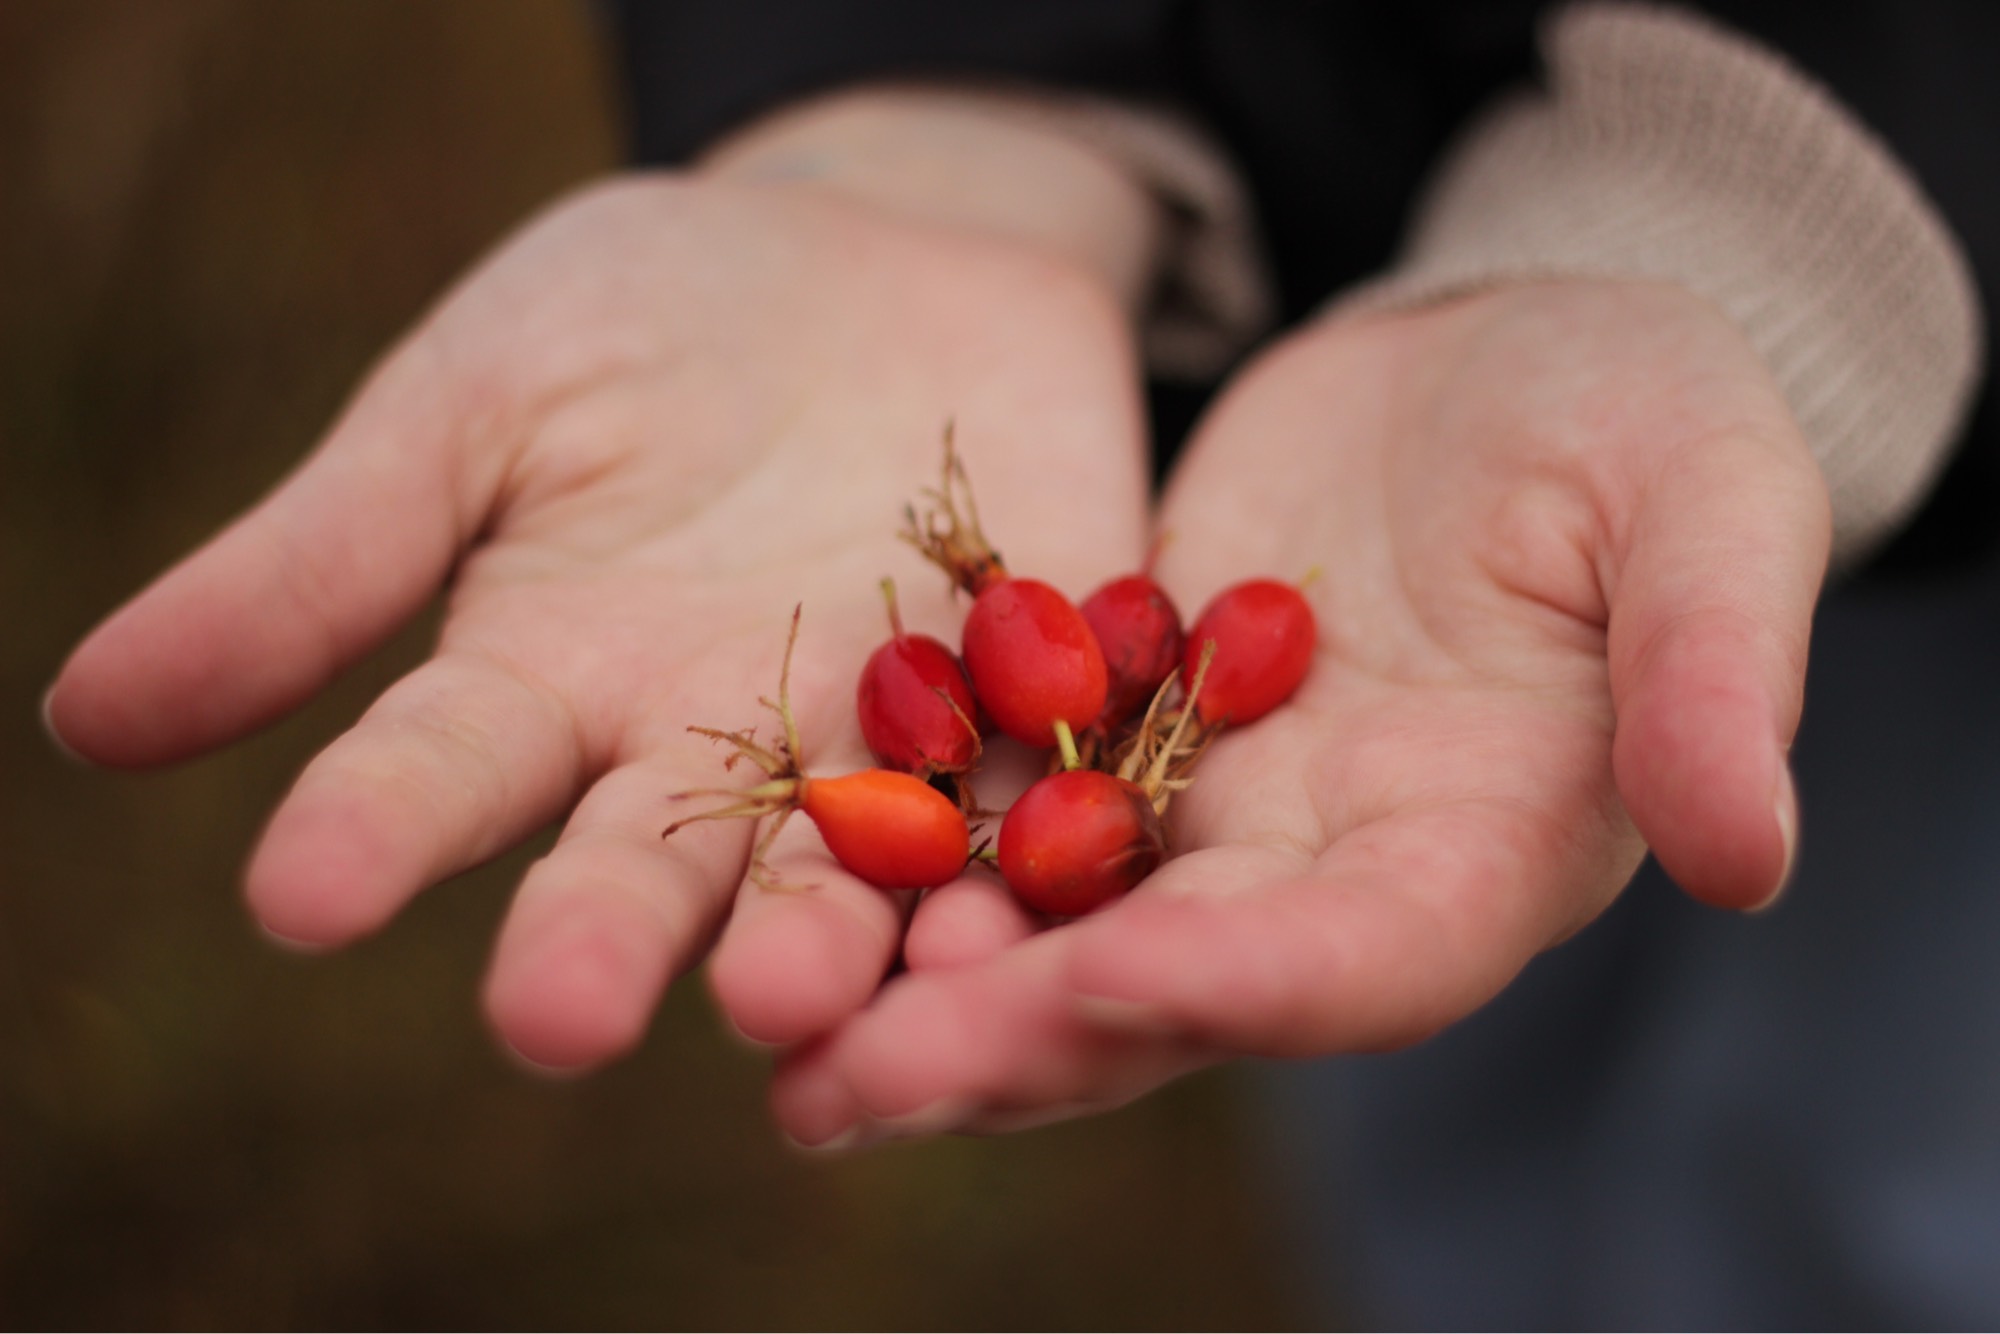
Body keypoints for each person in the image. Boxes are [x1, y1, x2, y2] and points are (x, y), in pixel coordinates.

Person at [43, 2, 1995, 1325]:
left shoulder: (1125, 711)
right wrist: (915, 81)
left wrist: (1764, 200)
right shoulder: (1092, 716)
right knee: (1448, 1078)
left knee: (1892, 1168)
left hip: (1888, 487)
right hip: (1367, 408)